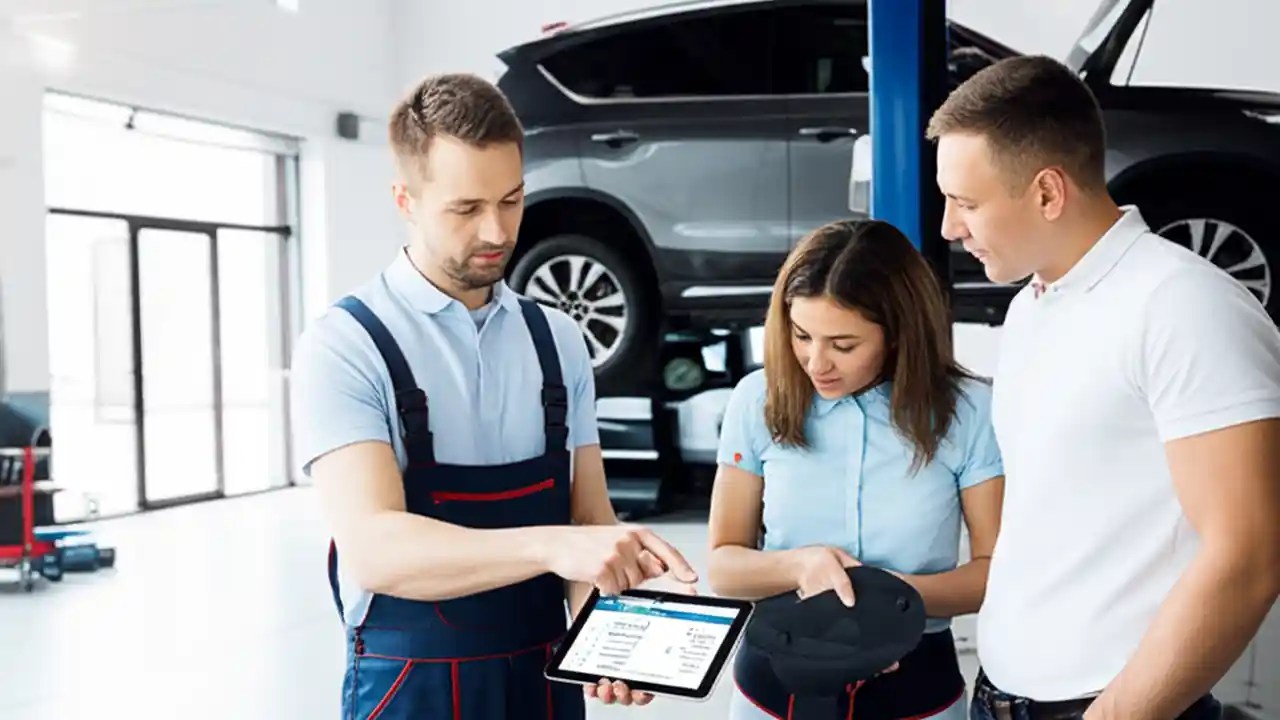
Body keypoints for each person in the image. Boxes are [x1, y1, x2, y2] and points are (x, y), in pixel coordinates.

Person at [290, 73, 698, 720]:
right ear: (405, 199)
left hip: (546, 681)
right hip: (409, 687)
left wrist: (608, 636)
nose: (497, 230)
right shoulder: (345, 344)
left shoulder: (559, 340)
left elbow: (588, 520)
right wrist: (550, 545)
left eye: (511, 200)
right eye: (466, 208)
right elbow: (375, 550)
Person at [927, 55, 1280, 720]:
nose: (950, 227)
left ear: (1048, 193)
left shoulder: (1183, 306)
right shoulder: (1036, 302)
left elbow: (1249, 555)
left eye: (966, 203)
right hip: (1001, 698)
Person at [708, 219, 1006, 719]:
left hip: (916, 692)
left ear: (898, 334)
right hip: (773, 693)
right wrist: (799, 565)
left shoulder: (971, 411)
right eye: (802, 335)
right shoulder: (755, 399)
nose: (815, 361)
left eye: (843, 345)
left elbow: (994, 572)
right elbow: (723, 565)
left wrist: (884, 601)